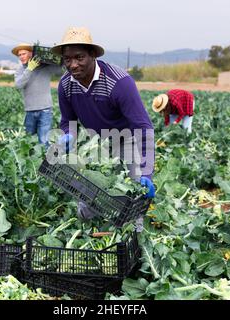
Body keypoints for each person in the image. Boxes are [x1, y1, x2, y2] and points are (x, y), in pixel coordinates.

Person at [50, 27, 155, 225]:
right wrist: (68, 135)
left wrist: (147, 171)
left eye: (79, 57)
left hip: (126, 140)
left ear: (93, 55)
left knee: (134, 195)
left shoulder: (119, 82)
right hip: (95, 143)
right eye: (67, 59)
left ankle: (134, 238)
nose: (72, 65)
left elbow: (143, 127)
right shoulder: (65, 85)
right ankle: (91, 233)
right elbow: (68, 121)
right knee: (88, 196)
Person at [12, 43, 63, 146]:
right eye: (19, 55)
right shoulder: (20, 70)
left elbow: (60, 70)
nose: (21, 57)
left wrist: (59, 58)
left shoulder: (45, 67)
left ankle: (44, 162)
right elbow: (18, 85)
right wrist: (29, 69)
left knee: (44, 140)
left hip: (45, 109)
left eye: (24, 54)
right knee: (29, 139)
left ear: (31, 54)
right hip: (29, 110)